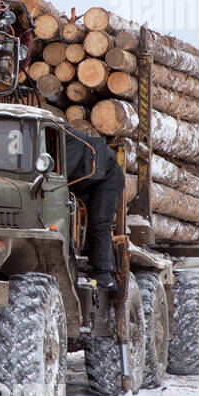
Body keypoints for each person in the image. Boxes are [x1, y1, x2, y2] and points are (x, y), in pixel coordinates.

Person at [62, 123, 123, 291]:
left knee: (99, 222)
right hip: (83, 178)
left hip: (106, 176)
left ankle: (103, 274)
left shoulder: (64, 138)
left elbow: (60, 173)